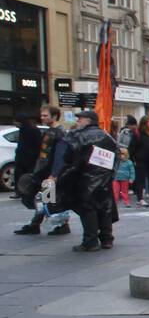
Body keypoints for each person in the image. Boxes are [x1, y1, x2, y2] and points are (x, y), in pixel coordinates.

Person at [58, 110, 119, 252]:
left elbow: (69, 157)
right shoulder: (107, 137)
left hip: (85, 177)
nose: (78, 121)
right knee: (104, 207)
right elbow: (116, 157)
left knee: (88, 208)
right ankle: (106, 238)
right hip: (104, 177)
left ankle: (90, 241)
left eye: (80, 119)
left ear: (88, 120)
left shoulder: (78, 136)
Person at [14, 105, 73, 236]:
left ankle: (60, 225)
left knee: (48, 199)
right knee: (44, 199)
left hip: (50, 173)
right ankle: (38, 225)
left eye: (45, 115)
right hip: (44, 171)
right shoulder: (50, 131)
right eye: (42, 115)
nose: (42, 118)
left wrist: (54, 174)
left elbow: (60, 156)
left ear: (54, 116)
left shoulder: (59, 133)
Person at [131, 116, 149, 205]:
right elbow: (132, 147)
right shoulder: (138, 133)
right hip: (141, 160)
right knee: (141, 179)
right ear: (144, 123)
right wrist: (133, 159)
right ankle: (140, 198)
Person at [12, 114, 42, 196]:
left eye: (16, 122)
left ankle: (31, 191)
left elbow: (38, 144)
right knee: (18, 175)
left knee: (30, 176)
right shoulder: (22, 130)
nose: (15, 124)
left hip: (31, 159)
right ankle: (19, 192)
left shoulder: (33, 130)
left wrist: (35, 156)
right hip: (21, 158)